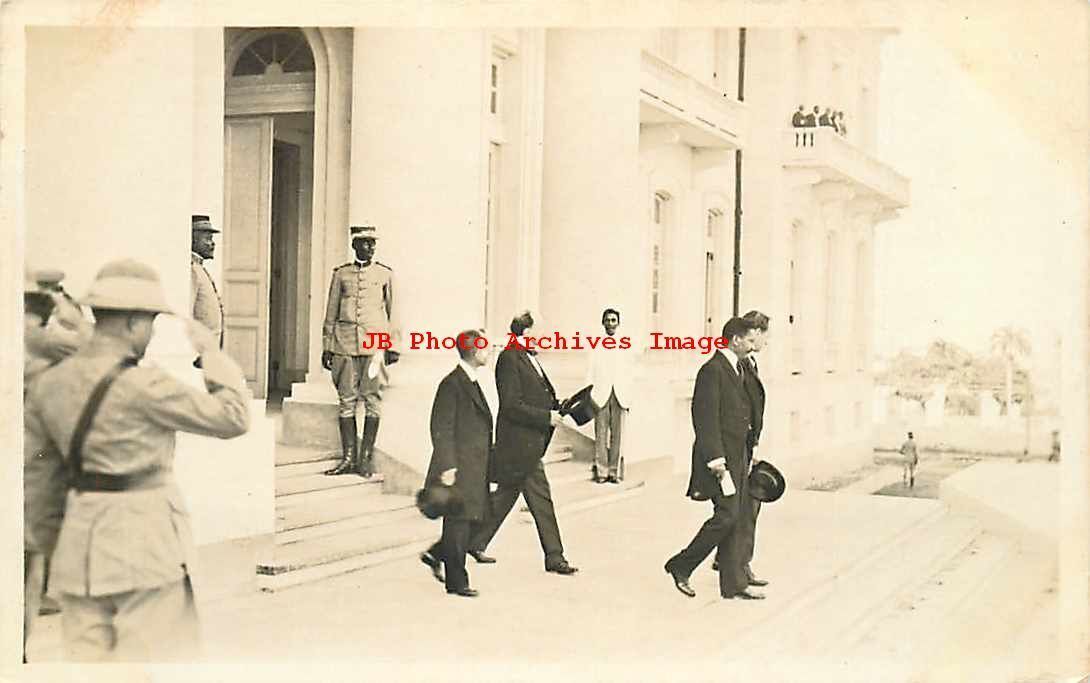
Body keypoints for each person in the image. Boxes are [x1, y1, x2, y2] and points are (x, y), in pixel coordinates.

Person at [24, 258, 251, 661]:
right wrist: (211, 355)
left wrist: (60, 547)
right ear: (132, 323)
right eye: (149, 322)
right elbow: (233, 418)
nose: (149, 332)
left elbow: (40, 486)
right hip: (144, 551)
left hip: (77, 559)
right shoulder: (147, 386)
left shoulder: (51, 384)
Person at [466, 311, 578, 575]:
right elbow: (511, 405)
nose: (546, 338)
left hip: (528, 443)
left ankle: (473, 541)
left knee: (505, 496)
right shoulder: (508, 358)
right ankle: (554, 556)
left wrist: (559, 407)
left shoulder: (529, 358)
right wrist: (545, 417)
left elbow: (537, 395)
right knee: (541, 498)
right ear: (525, 333)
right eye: (541, 333)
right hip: (518, 444)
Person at [664, 317, 763, 600]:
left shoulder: (738, 367)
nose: (752, 343)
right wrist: (716, 461)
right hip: (720, 460)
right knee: (727, 516)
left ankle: (733, 585)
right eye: (748, 339)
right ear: (735, 340)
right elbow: (705, 419)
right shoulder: (712, 370)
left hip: (738, 456)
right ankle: (681, 565)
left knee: (735, 516)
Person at [321, 224, 401, 478]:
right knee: (346, 399)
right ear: (354, 245)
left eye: (372, 243)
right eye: (364, 243)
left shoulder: (385, 274)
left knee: (372, 399)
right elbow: (331, 312)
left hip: (375, 345)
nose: (369, 247)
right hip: (344, 343)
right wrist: (327, 345)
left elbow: (393, 312)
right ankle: (348, 458)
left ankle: (365, 459)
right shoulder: (341, 274)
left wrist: (393, 345)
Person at [419, 330, 494, 598]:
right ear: (474, 351)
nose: (488, 353)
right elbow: (441, 427)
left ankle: (436, 554)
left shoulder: (470, 380)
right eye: (485, 348)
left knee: (469, 520)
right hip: (460, 467)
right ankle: (457, 581)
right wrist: (448, 464)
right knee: (458, 523)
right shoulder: (452, 384)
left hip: (474, 466)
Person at [736, 310, 770, 587]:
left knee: (743, 506)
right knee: (748, 505)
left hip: (748, 444)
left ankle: (732, 559)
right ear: (755, 333)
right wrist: (751, 444)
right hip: (741, 447)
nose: (765, 341)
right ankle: (739, 564)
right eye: (764, 334)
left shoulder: (750, 362)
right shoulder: (741, 364)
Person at [586, 307, 634, 484]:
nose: (610, 324)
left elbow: (630, 372)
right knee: (600, 434)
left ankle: (614, 472)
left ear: (618, 323)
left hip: (620, 395)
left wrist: (629, 396)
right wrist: (590, 394)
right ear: (603, 322)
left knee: (618, 436)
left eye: (614, 320)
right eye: (607, 320)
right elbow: (590, 371)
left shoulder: (625, 346)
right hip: (600, 394)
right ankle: (602, 471)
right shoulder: (596, 345)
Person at [190, 215, 224, 351]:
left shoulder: (199, 268)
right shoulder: (191, 270)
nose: (212, 244)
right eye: (208, 239)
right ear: (193, 240)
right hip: (199, 352)